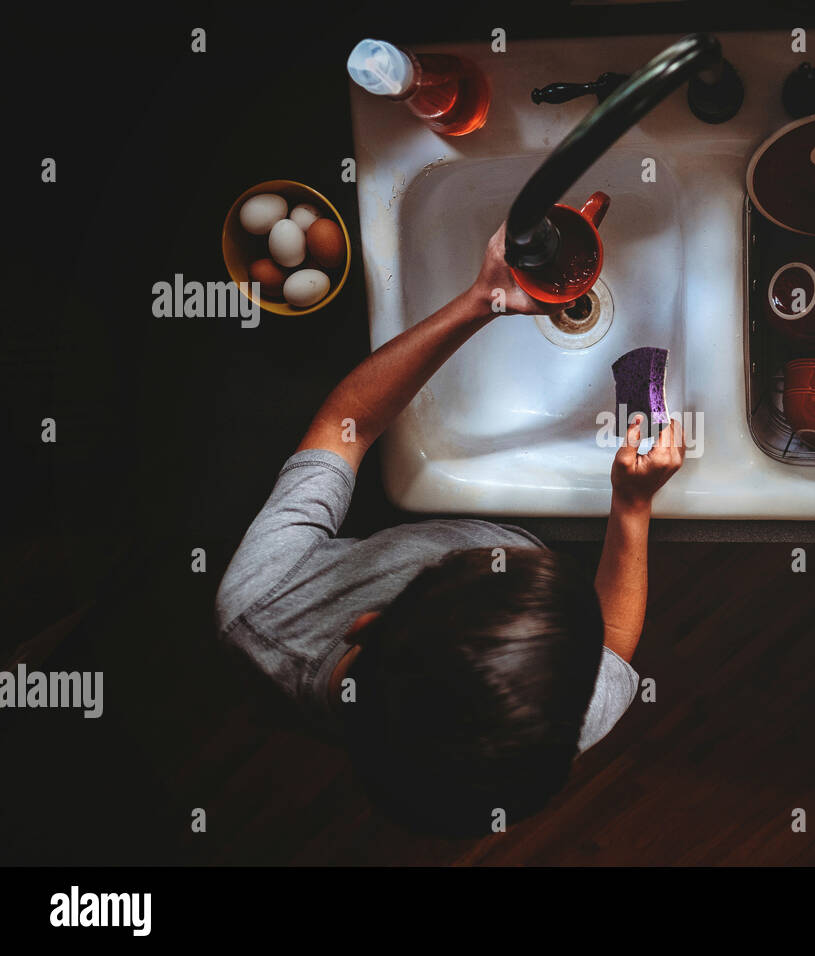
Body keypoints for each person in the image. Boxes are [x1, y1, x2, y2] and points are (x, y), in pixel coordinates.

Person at [215, 224, 684, 835]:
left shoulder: (261, 601)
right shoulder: (552, 716)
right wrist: (630, 508)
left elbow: (341, 427)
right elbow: (614, 648)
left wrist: (477, 302)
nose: (500, 553)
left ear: (368, 622)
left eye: (455, 567)